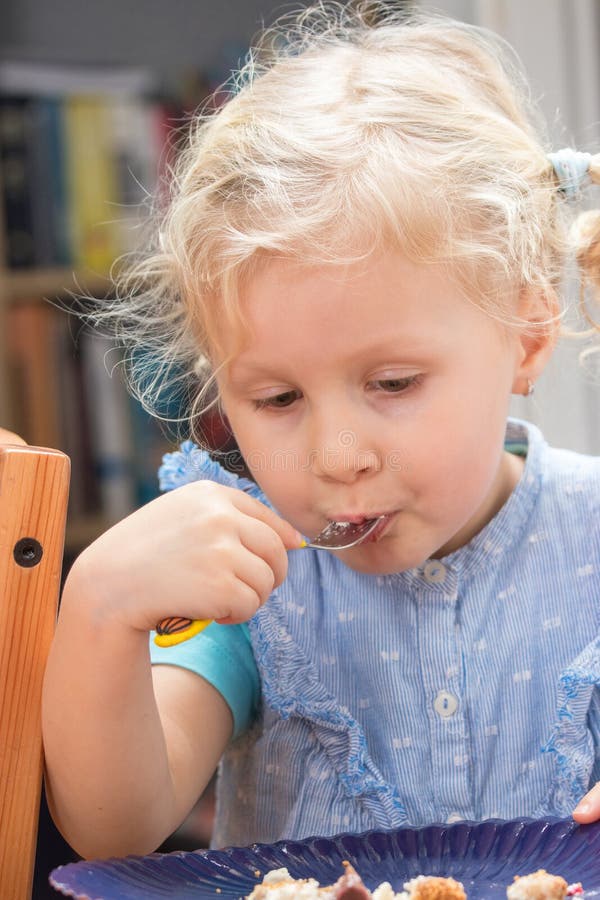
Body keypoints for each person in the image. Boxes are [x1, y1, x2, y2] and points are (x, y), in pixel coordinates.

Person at [42, 2, 600, 860]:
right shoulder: (244, 581)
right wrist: (99, 611)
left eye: (392, 383)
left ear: (526, 336)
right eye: (276, 400)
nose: (338, 458)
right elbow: (118, 828)